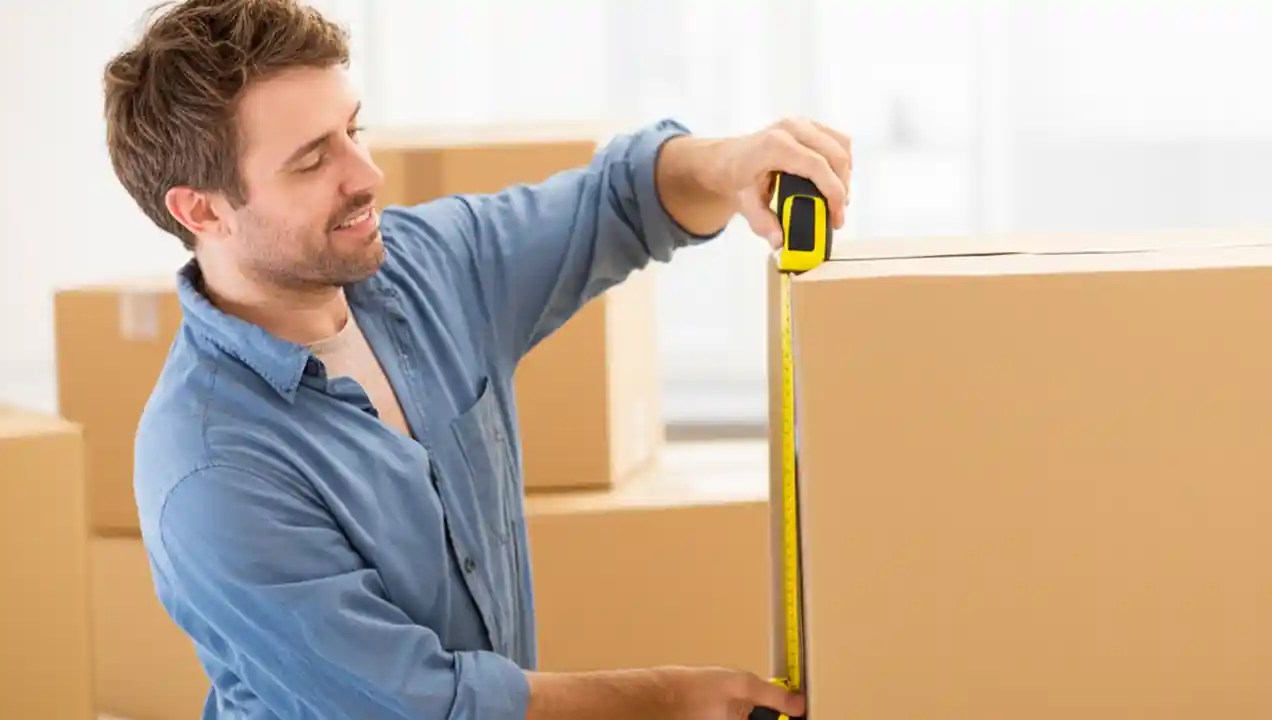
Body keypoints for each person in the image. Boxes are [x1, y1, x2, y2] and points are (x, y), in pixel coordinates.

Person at [103, 1, 851, 718]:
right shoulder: (211, 472)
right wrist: (669, 700)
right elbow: (429, 707)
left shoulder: (425, 269)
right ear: (200, 210)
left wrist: (730, 162)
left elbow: (620, 202)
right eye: (311, 161)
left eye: (353, 130)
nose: (366, 175)